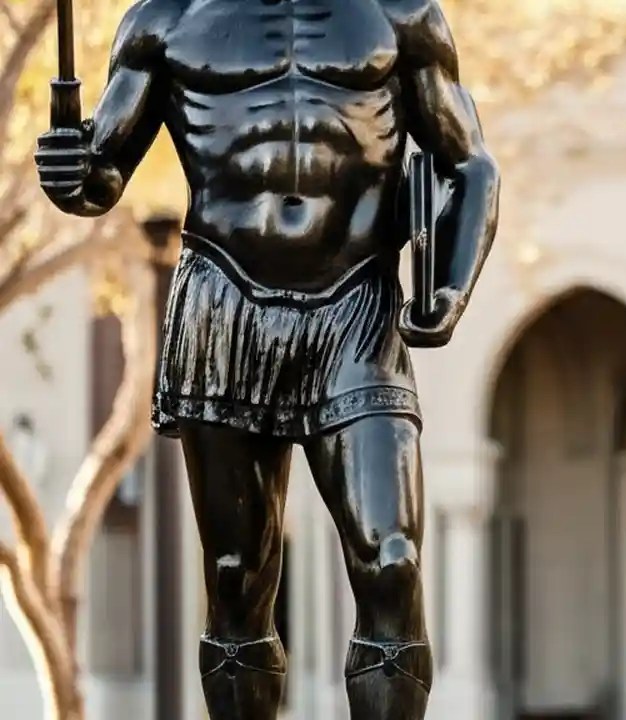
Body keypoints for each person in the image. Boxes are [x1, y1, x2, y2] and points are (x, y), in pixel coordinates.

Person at [33, 0, 500, 717]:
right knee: (236, 581)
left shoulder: (401, 15)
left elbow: (468, 163)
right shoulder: (165, 20)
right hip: (225, 306)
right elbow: (103, 176)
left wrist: (452, 285)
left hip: (355, 307)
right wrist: (74, 171)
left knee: (393, 559)